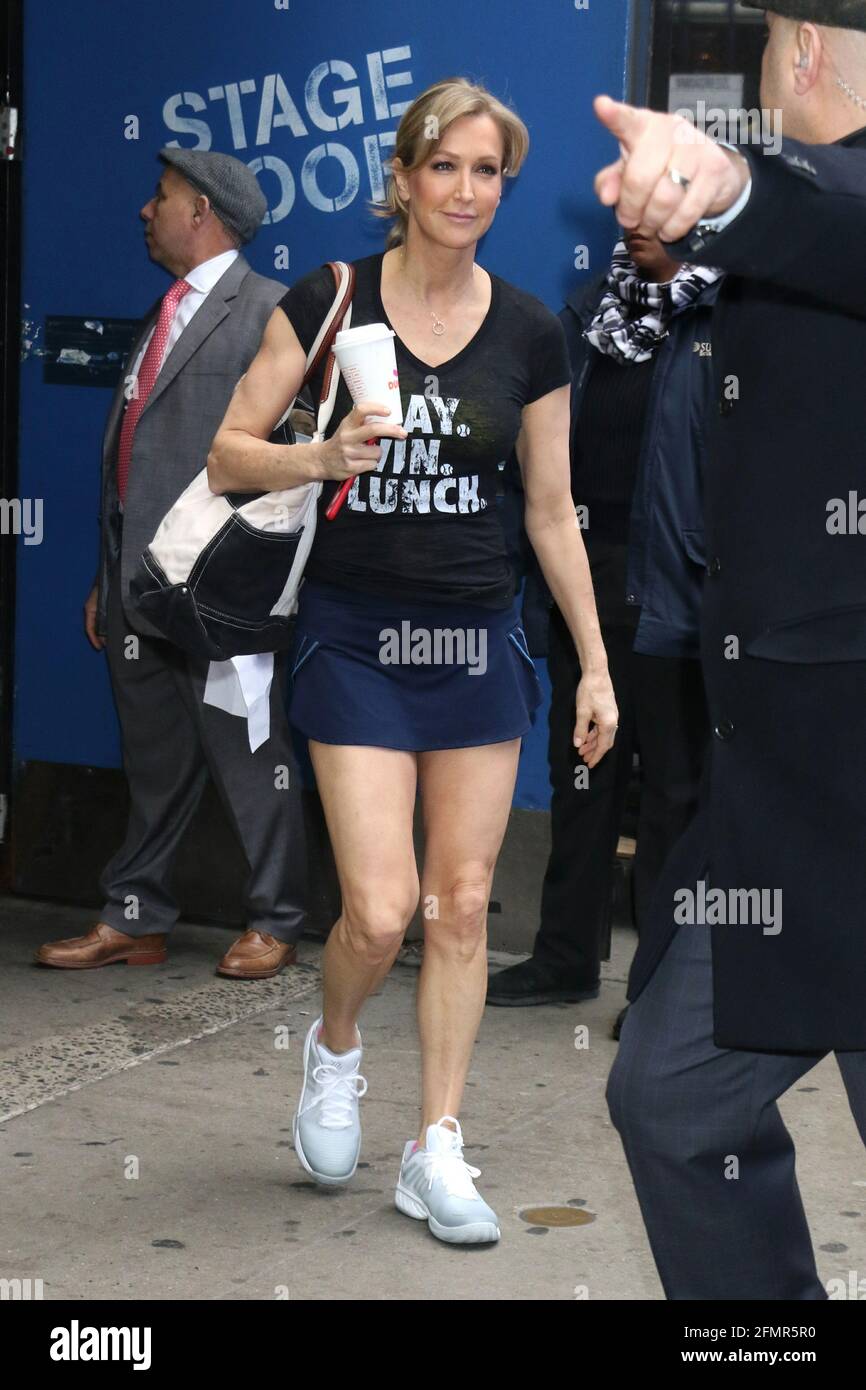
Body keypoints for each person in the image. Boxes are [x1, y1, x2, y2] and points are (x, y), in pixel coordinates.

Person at [208, 77, 618, 1246]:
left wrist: (592, 663)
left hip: (476, 639)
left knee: (463, 904)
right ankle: (334, 1047)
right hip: (354, 638)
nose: (466, 190)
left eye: (487, 172)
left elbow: (551, 513)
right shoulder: (331, 301)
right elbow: (232, 456)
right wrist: (321, 455)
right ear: (401, 178)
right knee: (381, 912)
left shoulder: (531, 330)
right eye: (445, 166)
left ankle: (435, 1144)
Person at [595, 2, 866, 1299]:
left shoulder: (814, 197)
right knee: (670, 1097)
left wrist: (734, 188)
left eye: (765, 43)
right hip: (777, 799)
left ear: (800, 52)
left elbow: (827, 221)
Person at [37, 150, 308, 980]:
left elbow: (285, 452)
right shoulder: (167, 310)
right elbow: (134, 448)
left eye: (161, 198)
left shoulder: (270, 310)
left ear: (203, 213)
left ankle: (276, 917)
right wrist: (105, 575)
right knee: (153, 759)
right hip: (138, 586)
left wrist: (257, 581)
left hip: (217, 590)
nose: (144, 211)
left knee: (251, 752)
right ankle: (135, 917)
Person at [487, 231, 714, 1029]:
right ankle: (564, 958)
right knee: (581, 774)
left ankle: (659, 988)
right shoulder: (585, 316)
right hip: (582, 587)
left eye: (662, 204)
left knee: (673, 794)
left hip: (677, 591)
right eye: (631, 208)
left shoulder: (721, 319)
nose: (641, 222)